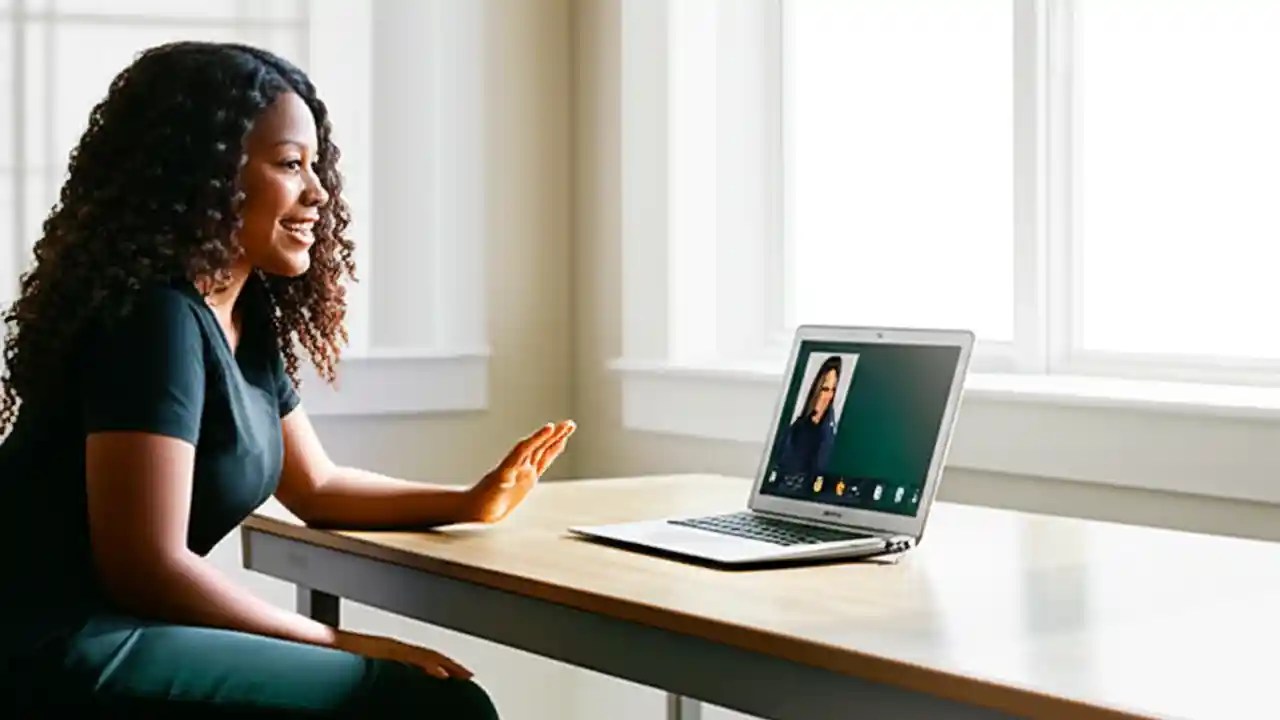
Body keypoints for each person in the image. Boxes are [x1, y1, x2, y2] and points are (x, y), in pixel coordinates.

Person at [0, 41, 574, 717]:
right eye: (289, 165)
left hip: (117, 625)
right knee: (436, 708)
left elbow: (318, 487)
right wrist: (337, 641)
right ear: (205, 178)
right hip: (51, 645)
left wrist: (470, 501)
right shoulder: (154, 322)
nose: (318, 192)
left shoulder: (240, 315)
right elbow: (144, 565)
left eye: (315, 165)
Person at [774, 356, 841, 478]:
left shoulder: (829, 433)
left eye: (833, 390)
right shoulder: (797, 428)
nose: (829, 396)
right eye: (825, 389)